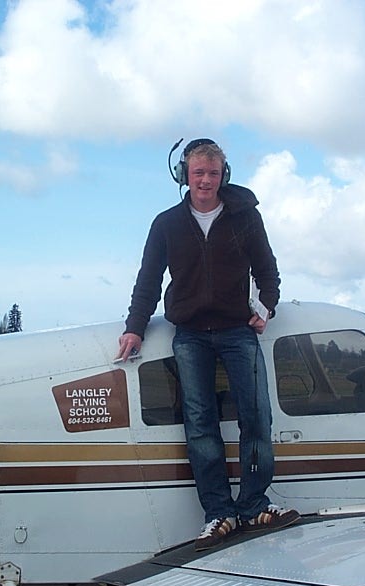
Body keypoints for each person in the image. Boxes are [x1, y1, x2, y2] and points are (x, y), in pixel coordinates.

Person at [116, 138, 299, 551]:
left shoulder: (245, 217)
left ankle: (253, 504)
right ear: (184, 175)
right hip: (191, 336)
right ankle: (219, 512)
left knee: (257, 416)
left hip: (238, 331)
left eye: (212, 173)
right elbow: (148, 281)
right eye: (197, 172)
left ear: (224, 175)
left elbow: (268, 272)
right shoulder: (166, 224)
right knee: (200, 425)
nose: (205, 181)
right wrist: (135, 328)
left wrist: (266, 307)